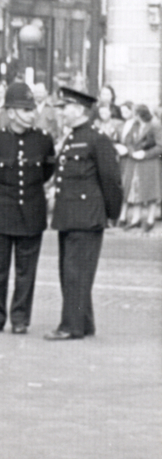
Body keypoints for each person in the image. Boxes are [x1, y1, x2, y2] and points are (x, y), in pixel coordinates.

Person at [0, 82, 56, 334]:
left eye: (32, 109)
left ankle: (20, 318)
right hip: (0, 213)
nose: (32, 114)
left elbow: (47, 171)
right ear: (11, 113)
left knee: (26, 272)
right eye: (26, 109)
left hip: (31, 213)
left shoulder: (43, 140)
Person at [44, 86, 123, 340]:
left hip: (86, 217)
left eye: (65, 108)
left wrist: (111, 214)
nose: (61, 112)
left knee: (75, 274)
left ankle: (71, 326)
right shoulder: (73, 137)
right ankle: (84, 322)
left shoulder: (97, 139)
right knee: (72, 273)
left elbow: (111, 180)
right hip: (70, 215)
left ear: (78, 110)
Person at [117, 103, 161, 231]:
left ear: (139, 114)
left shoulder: (155, 125)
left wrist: (145, 154)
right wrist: (132, 153)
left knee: (151, 191)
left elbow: (160, 146)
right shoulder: (135, 125)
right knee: (135, 189)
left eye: (134, 113)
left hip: (150, 162)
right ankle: (136, 219)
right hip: (135, 161)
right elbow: (128, 141)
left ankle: (150, 219)